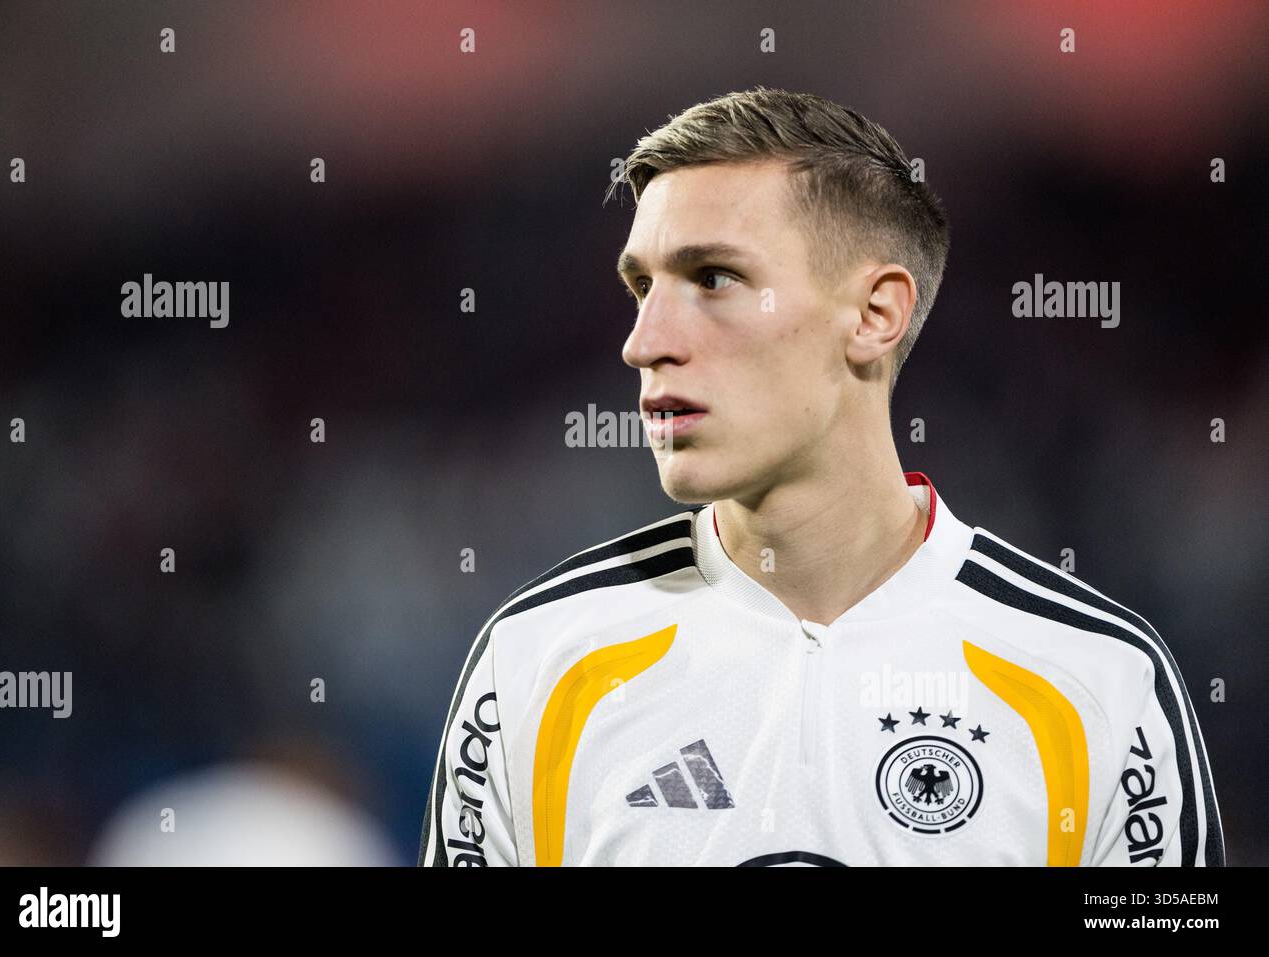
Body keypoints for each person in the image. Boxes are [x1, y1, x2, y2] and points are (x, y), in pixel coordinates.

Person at [417, 86, 1223, 866]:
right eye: (641, 286)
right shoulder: (536, 665)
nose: (644, 339)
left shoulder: (1096, 679)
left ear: (875, 316)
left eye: (713, 279)